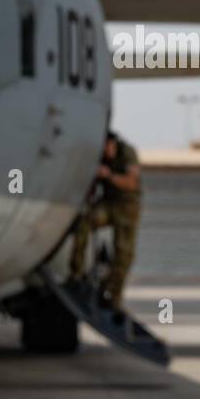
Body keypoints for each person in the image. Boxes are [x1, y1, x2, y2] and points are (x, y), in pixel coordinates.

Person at [68, 131, 142, 312]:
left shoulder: (127, 153)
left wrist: (108, 176)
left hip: (127, 206)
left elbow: (131, 183)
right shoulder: (98, 156)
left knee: (124, 255)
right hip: (108, 203)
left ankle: (113, 294)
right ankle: (76, 274)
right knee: (84, 221)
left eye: (106, 147)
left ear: (113, 144)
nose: (104, 151)